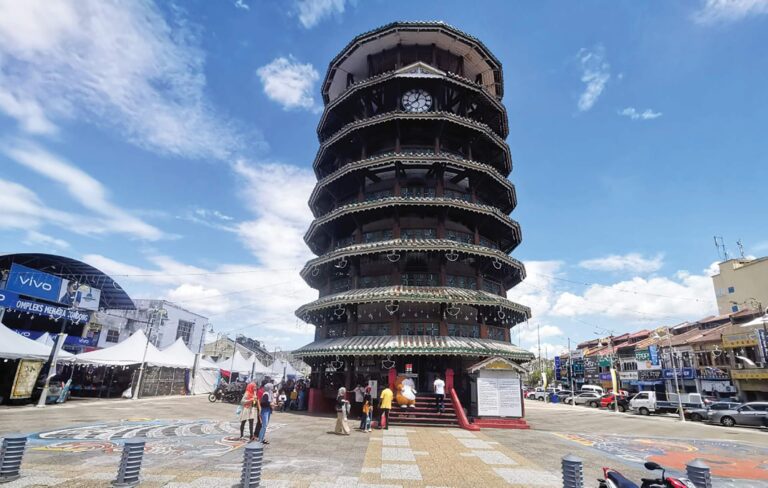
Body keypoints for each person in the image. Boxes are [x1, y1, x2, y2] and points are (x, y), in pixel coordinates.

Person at [258, 380, 274, 444]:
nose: (272, 389)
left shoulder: (269, 394)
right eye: (272, 387)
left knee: (265, 425)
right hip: (265, 411)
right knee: (264, 425)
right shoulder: (266, 394)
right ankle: (260, 439)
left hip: (267, 410)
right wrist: (270, 404)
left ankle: (262, 438)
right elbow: (263, 402)